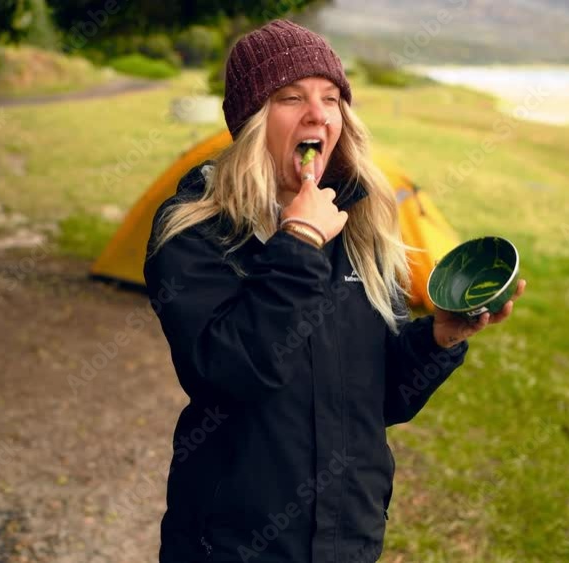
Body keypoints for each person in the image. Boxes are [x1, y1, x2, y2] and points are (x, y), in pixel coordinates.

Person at [144, 19, 526, 563]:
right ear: (251, 119)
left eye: (331, 97)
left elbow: (379, 399)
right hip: (231, 544)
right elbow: (231, 374)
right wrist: (297, 242)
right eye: (290, 96)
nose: (317, 114)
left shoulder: (361, 224)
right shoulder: (195, 232)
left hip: (348, 541)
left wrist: (437, 338)